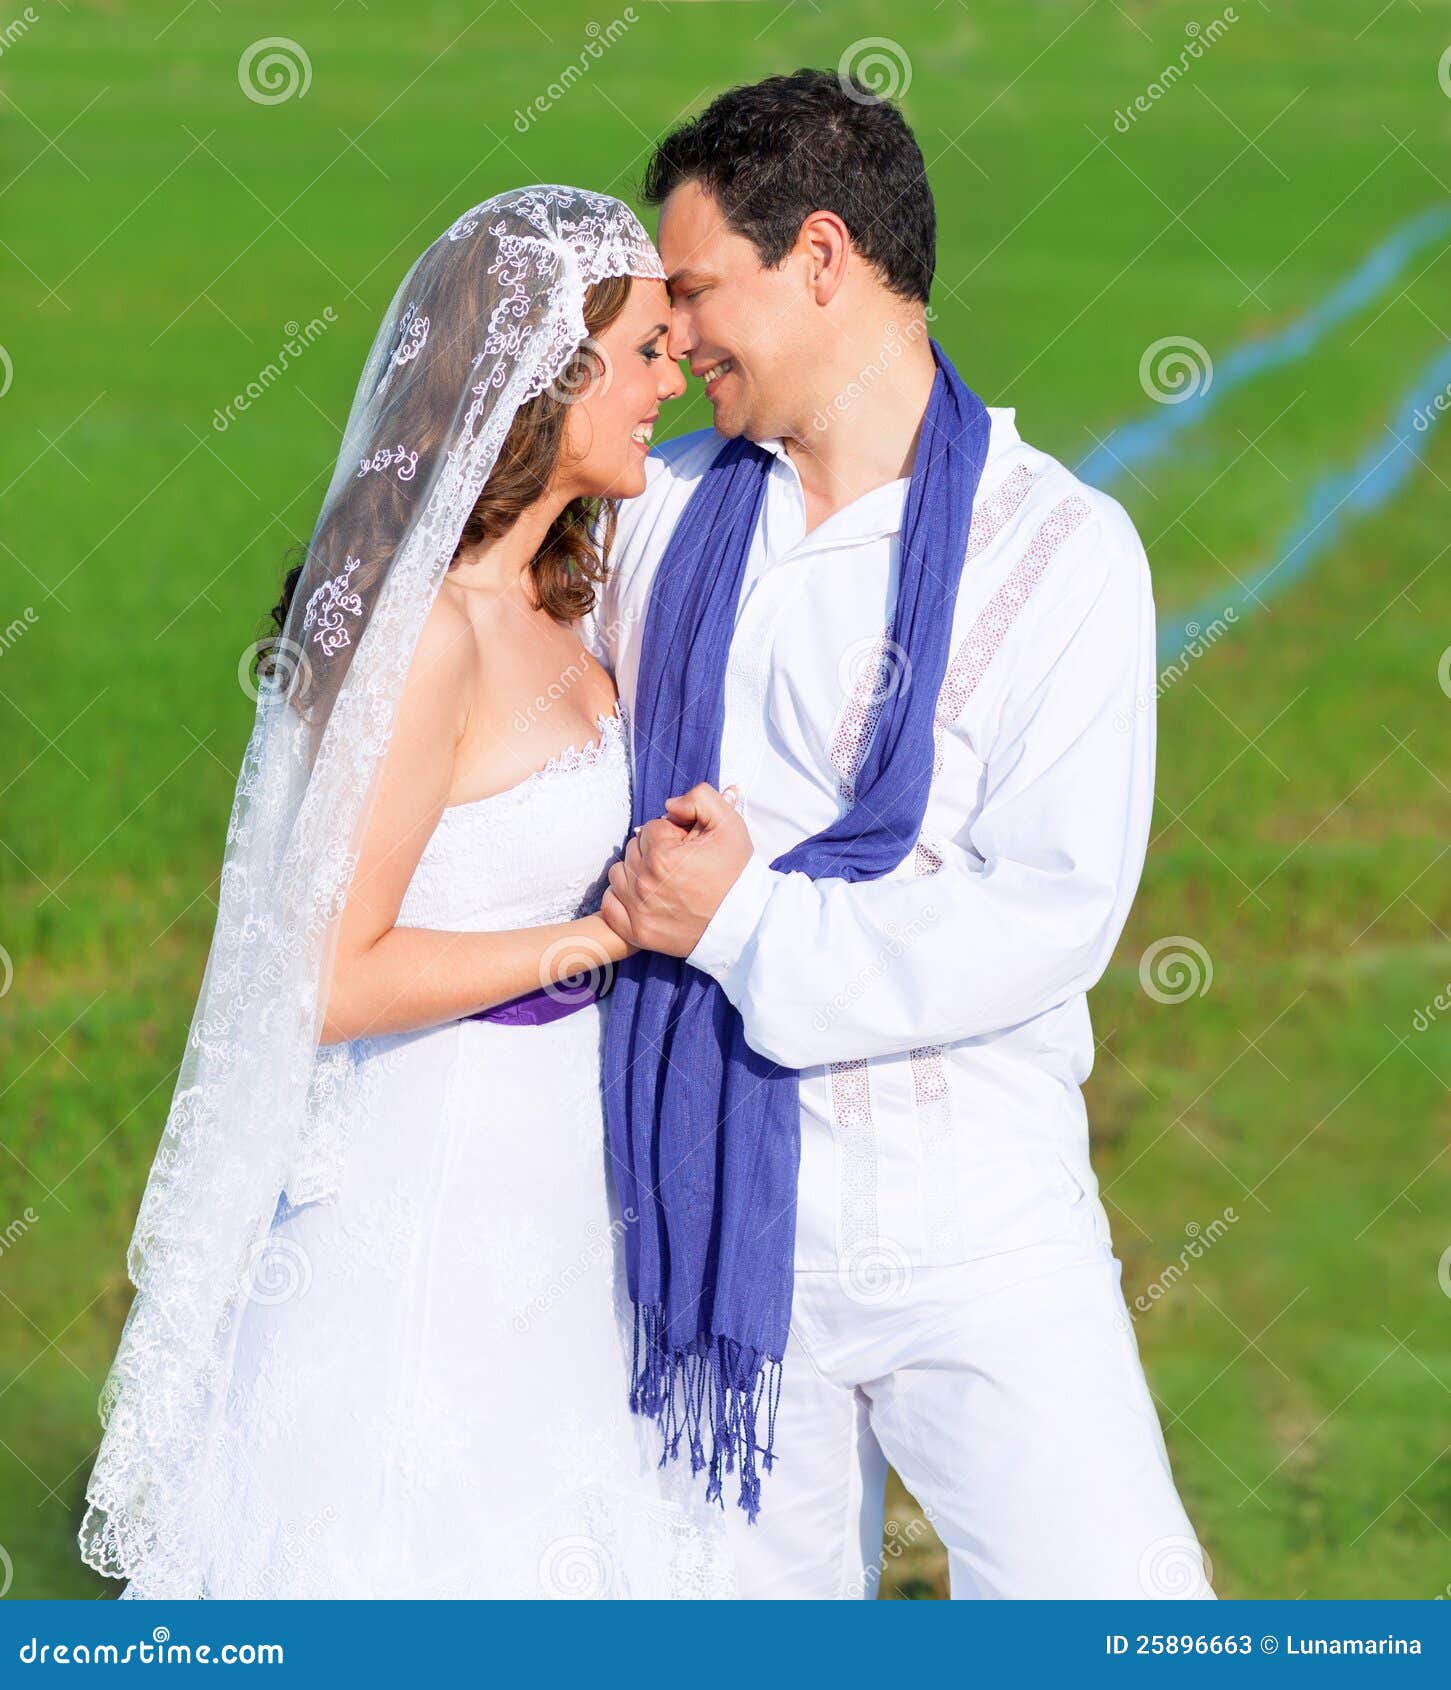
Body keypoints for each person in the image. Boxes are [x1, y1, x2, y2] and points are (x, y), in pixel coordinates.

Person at [589, 71, 1218, 1600]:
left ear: (820, 259)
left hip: (978, 1226)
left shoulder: (1062, 548)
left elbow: (1047, 911)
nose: (672, 341)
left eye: (694, 292)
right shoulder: (656, 519)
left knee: (1119, 1616)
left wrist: (743, 923)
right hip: (714, 1233)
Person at [79, 186, 733, 1599]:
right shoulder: (430, 634)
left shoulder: (566, 601)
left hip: (569, 1189)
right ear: (546, 379)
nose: (667, 379)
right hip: (438, 1183)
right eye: (638, 353)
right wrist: (594, 939)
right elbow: (328, 974)